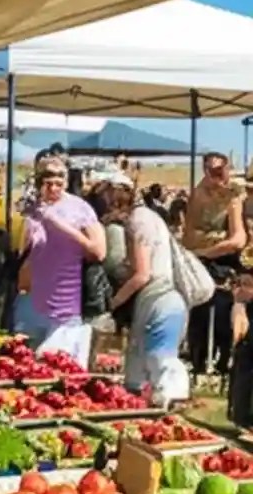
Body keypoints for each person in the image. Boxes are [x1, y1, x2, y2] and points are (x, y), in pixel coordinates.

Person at [98, 174, 189, 406]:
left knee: (159, 358)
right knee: (142, 359)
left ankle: (170, 400)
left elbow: (142, 274)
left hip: (159, 299)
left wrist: (114, 302)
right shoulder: (147, 218)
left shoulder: (139, 222)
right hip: (160, 299)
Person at [16, 156, 106, 365]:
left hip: (65, 306)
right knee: (27, 367)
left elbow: (98, 251)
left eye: (59, 183)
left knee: (57, 366)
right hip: (32, 302)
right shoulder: (33, 212)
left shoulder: (79, 208)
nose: (54, 188)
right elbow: (29, 253)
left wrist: (57, 223)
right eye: (48, 183)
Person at [183, 152, 248, 377]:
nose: (218, 177)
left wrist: (207, 248)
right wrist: (210, 243)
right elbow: (188, 235)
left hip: (222, 261)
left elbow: (238, 239)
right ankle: (198, 360)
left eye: (221, 171)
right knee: (198, 310)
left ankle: (223, 360)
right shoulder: (197, 195)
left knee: (223, 310)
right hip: (199, 260)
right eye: (213, 172)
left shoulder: (233, 197)